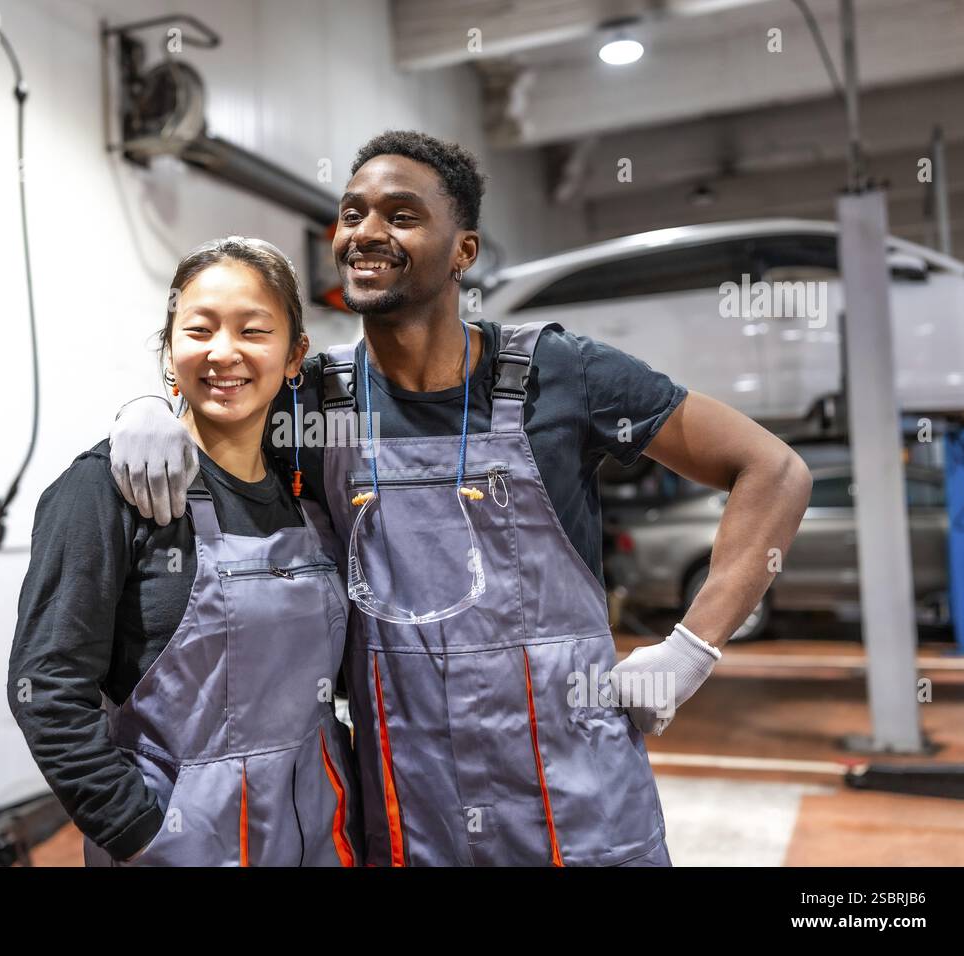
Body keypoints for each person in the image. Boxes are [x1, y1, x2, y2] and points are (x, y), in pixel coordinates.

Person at [107, 132, 813, 867]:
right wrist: (146, 410)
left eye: (401, 215)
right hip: (412, 817)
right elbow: (215, 385)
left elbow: (773, 471)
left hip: (579, 809)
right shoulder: (312, 399)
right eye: (353, 214)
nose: (366, 233)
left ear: (464, 251)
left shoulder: (560, 375)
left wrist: (690, 650)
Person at [8, 237, 361, 866]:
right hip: (183, 849)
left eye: (254, 330)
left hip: (322, 837)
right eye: (199, 330)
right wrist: (140, 832)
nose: (224, 352)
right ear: (170, 353)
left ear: (294, 355)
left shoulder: (307, 491)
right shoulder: (106, 489)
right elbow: (47, 685)